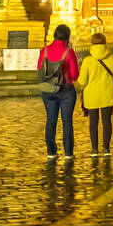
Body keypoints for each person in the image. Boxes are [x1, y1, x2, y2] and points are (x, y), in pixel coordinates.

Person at [76, 32, 113, 156]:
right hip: (107, 95)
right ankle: (106, 148)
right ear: (105, 43)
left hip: (91, 96)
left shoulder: (87, 60)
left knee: (93, 122)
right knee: (106, 121)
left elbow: (82, 81)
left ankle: (94, 149)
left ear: (92, 44)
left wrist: (78, 87)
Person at [38, 24, 81, 160]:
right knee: (67, 121)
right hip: (66, 90)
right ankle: (68, 153)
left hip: (48, 89)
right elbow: (74, 75)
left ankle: (51, 152)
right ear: (67, 37)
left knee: (50, 120)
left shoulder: (43, 51)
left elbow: (39, 70)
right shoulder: (69, 52)